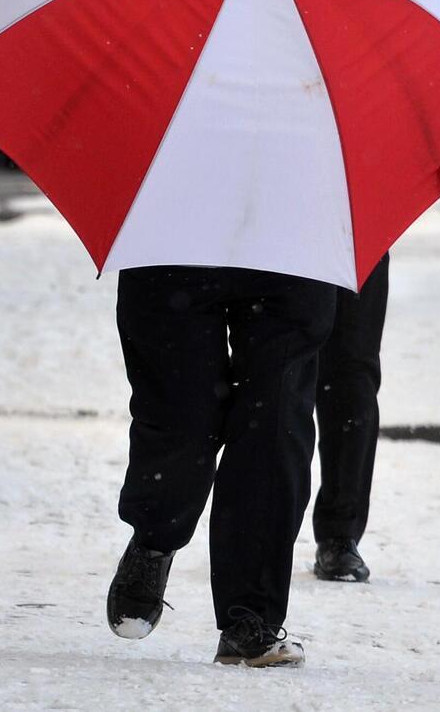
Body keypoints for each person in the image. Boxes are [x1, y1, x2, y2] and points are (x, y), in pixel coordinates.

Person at [105, 266, 335, 668]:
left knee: (274, 423)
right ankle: (155, 537)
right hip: (176, 246)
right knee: (182, 418)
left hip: (292, 249)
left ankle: (251, 614)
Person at [309, 254, 390, 584]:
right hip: (267, 231)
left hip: (352, 231)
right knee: (269, 379)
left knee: (352, 379)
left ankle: (340, 532)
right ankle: (255, 530)